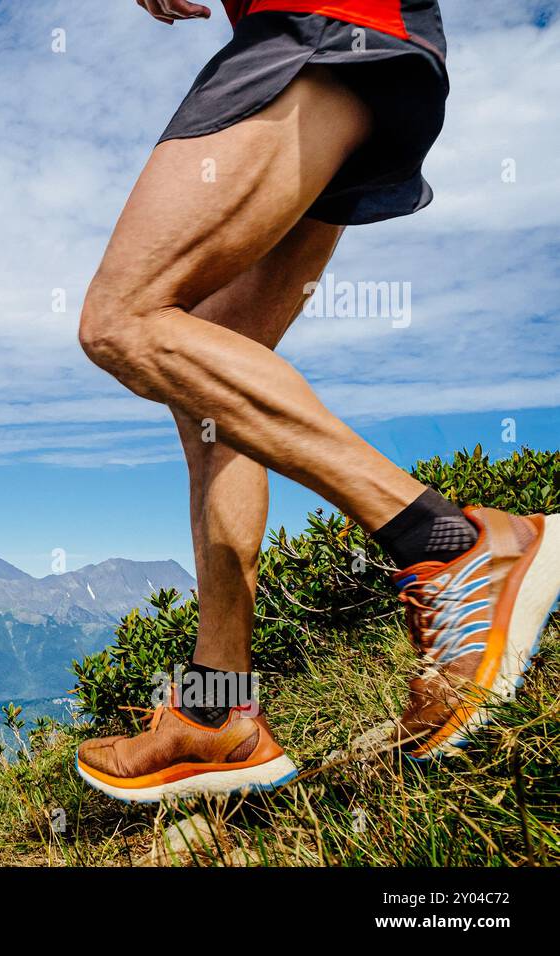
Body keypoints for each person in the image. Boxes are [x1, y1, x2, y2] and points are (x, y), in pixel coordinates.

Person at [74, 0, 560, 802]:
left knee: (122, 320)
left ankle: (453, 545)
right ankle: (216, 711)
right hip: (354, 51)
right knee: (212, 390)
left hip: (325, 28)